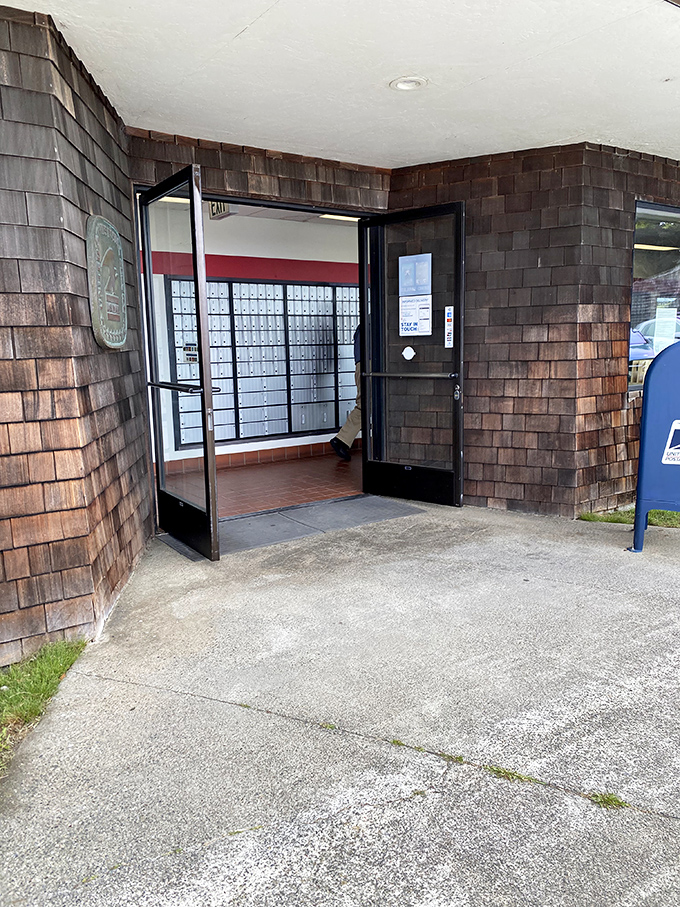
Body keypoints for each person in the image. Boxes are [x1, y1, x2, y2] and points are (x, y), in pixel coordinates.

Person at [330, 325, 361, 461]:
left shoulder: (363, 325)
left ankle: (342, 439)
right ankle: (341, 440)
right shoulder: (379, 320)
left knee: (366, 404)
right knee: (366, 405)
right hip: (372, 365)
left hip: (361, 366)